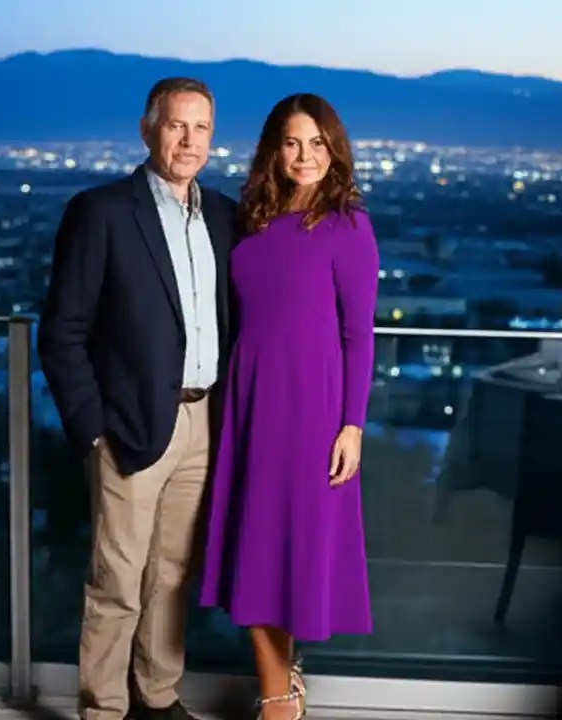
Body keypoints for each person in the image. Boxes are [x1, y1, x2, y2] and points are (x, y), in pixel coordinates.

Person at [38, 77, 237, 720]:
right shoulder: (101, 211)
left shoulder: (226, 216)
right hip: (128, 426)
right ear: (147, 129)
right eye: (176, 125)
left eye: (200, 128)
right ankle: (103, 709)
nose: (188, 140)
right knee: (117, 582)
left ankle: (157, 695)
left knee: (174, 573)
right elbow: (62, 331)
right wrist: (92, 427)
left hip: (204, 418)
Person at [198, 93, 379, 720]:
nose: (305, 155)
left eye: (317, 143)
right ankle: (283, 685)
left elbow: (360, 332)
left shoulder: (348, 224)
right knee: (254, 543)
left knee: (290, 546)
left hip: (312, 407)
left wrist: (352, 423)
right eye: (293, 142)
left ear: (335, 150)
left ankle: (277, 698)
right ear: (274, 148)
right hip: (246, 401)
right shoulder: (250, 218)